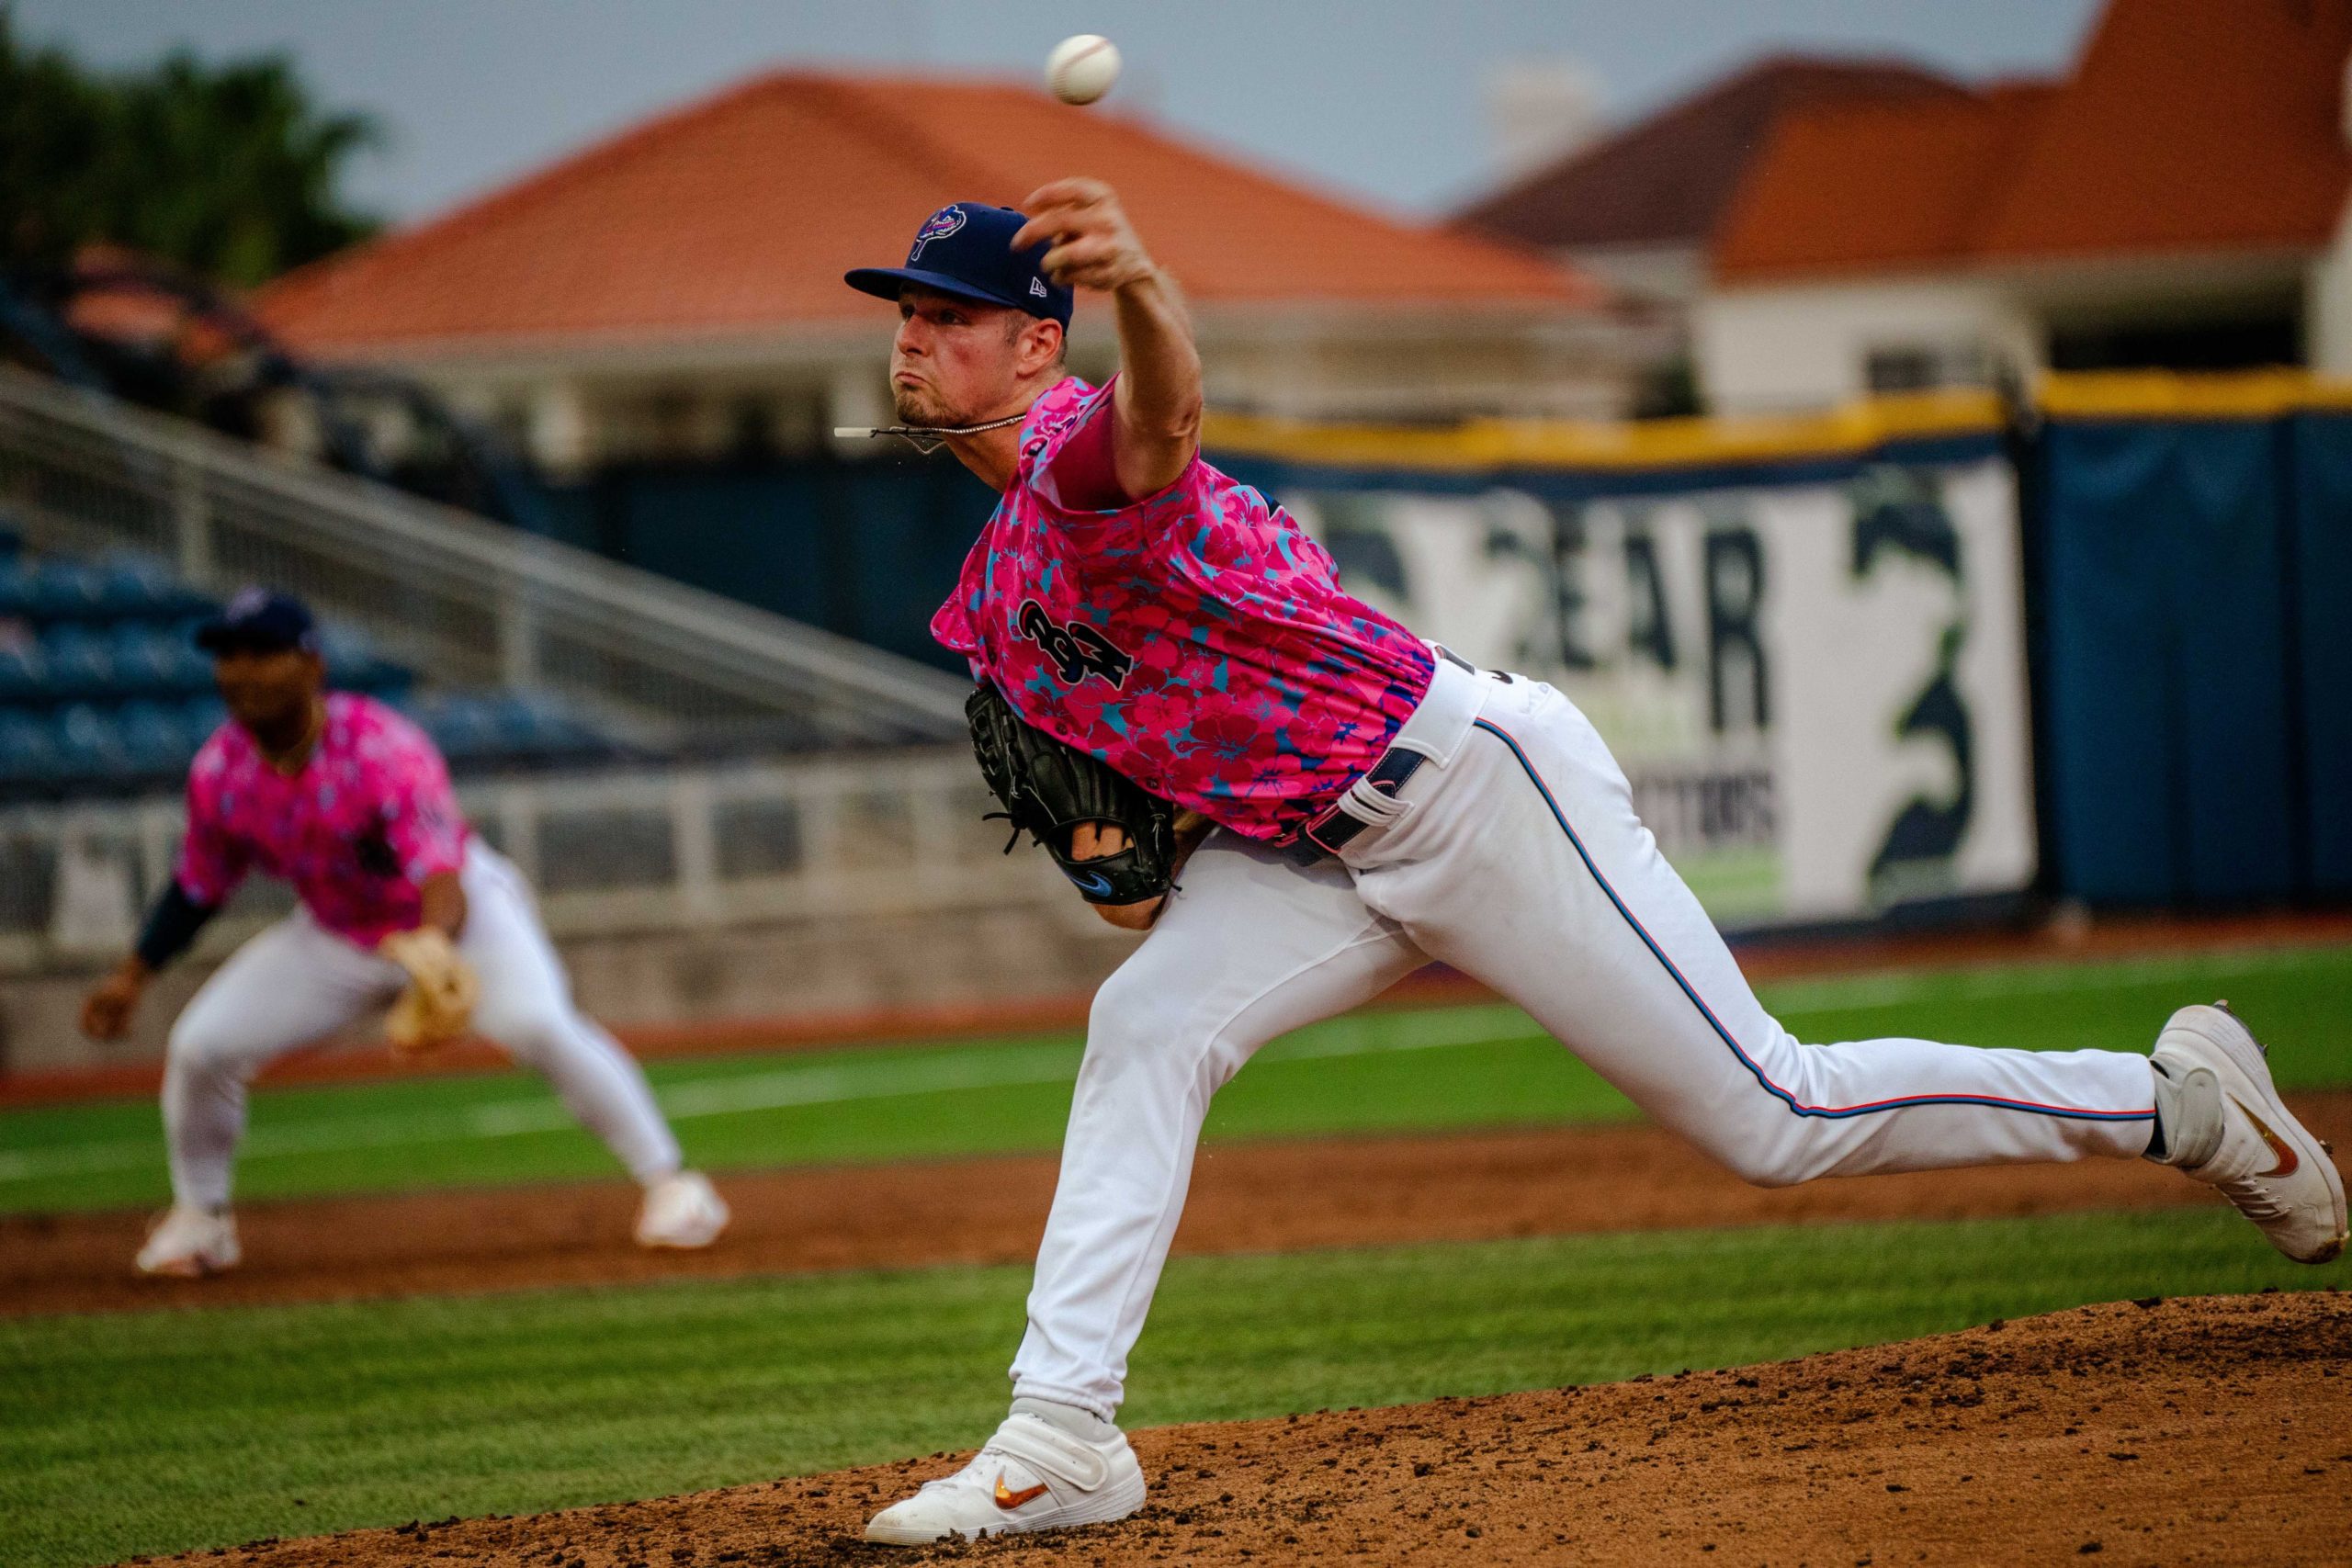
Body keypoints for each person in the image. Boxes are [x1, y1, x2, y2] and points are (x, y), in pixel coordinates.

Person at [838, 189, 2347, 1546]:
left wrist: (1150, 290)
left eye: (948, 316)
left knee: (1778, 1116)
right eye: (904, 314)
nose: (914, 340)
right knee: (1148, 1024)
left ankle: (2180, 1106)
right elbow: (1139, 872)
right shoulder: (990, 602)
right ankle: (1062, 1438)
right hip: (1300, 849)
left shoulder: (1067, 452)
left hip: (1470, 790)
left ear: (1041, 346)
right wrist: (1119, 861)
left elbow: (1157, 426)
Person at [78, 590, 729, 1276]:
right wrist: (133, 973)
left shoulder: (379, 747)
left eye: (263, 653)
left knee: (537, 1022)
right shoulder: (221, 772)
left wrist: (433, 945)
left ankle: (674, 1184)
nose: (243, 671)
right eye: (229, 656)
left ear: (311, 664)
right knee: (201, 1047)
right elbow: (198, 884)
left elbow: (440, 870)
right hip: (337, 933)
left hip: (461, 914)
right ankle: (201, 1218)